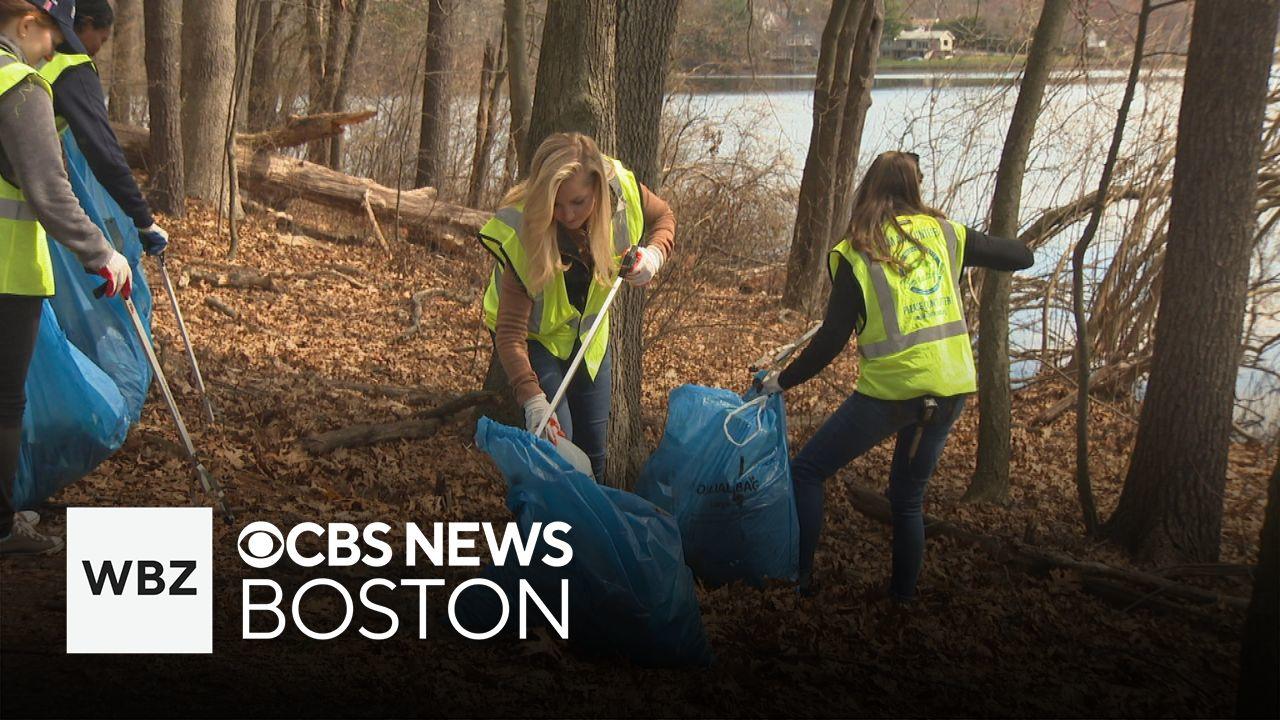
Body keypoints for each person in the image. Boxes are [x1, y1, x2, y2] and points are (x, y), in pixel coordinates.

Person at [757, 151, 1034, 601]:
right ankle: (901, 600)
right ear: (914, 188)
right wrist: (1010, 249)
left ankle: (800, 580)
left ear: (868, 187)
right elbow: (1020, 256)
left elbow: (831, 339)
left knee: (807, 472)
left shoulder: (857, 249)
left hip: (890, 395)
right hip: (949, 392)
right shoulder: (945, 233)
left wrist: (782, 381)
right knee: (907, 500)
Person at [1, 0, 132, 556]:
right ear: (28, 24)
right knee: (6, 402)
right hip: (7, 270)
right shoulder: (20, 86)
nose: (54, 51)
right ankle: (1, 528)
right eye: (53, 37)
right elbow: (50, 191)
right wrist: (103, 254)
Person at [479, 132, 675, 483]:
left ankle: (589, 533)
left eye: (578, 202)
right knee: (558, 450)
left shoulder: (623, 191)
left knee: (594, 453)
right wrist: (532, 399)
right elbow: (509, 334)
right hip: (534, 340)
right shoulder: (523, 229)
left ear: (598, 188)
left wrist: (654, 255)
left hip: (589, 338)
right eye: (556, 204)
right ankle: (548, 533)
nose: (567, 215)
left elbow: (664, 217)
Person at [37, 0, 168, 255]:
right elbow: (105, 155)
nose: (98, 49)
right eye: (102, 39)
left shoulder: (26, 53)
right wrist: (143, 220)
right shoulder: (73, 69)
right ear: (85, 24)